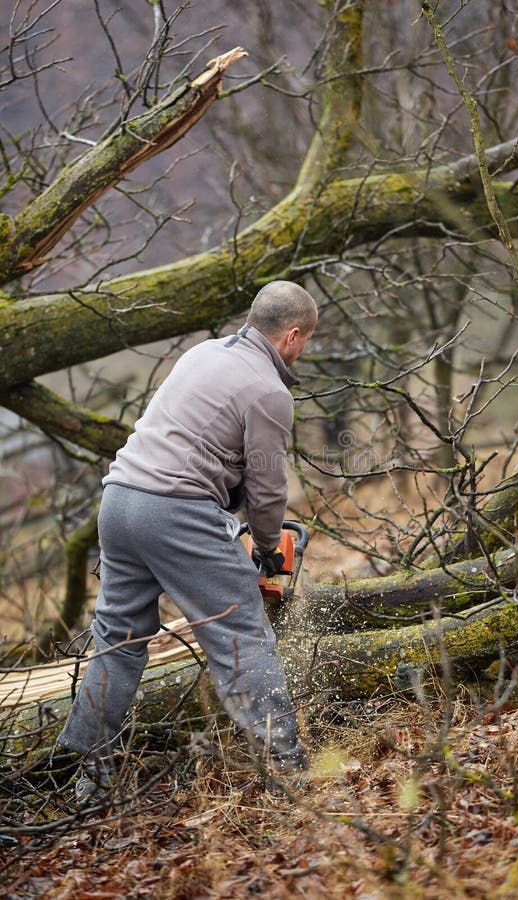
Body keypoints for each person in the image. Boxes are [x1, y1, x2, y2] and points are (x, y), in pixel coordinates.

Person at [56, 280, 318, 802]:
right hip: (173, 510)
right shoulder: (270, 391)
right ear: (292, 336)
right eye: (306, 340)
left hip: (120, 500)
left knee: (120, 641)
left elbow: (197, 442)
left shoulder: (203, 354)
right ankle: (290, 769)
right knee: (241, 635)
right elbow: (268, 489)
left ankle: (85, 774)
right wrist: (267, 548)